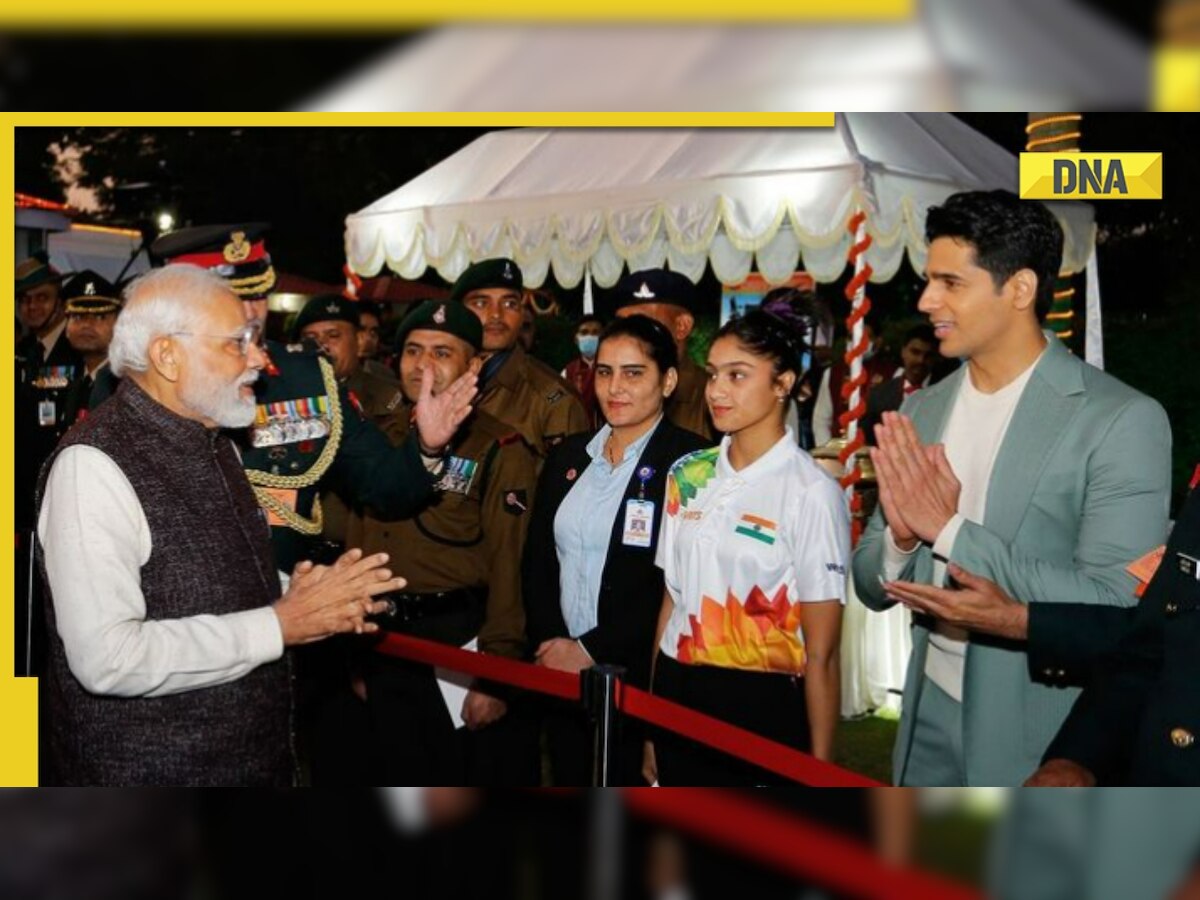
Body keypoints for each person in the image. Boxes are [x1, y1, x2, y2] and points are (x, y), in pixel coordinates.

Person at [35, 265, 403, 786]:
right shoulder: (93, 466)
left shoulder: (215, 441)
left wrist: (304, 594)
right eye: (237, 343)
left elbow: (200, 579)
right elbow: (107, 658)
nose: (259, 359)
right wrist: (280, 623)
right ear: (167, 355)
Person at [851, 189, 1171, 786]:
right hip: (925, 712)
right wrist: (898, 538)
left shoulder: (1120, 418)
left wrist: (947, 531)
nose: (927, 301)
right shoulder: (923, 411)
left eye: (951, 282)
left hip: (1041, 734)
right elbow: (870, 583)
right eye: (928, 280)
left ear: (1019, 289)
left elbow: (1116, 604)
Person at [150, 223, 475, 573]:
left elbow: (384, 487)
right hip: (178, 603)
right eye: (228, 298)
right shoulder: (142, 379)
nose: (248, 311)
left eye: (257, 294)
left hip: (284, 605)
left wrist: (426, 446)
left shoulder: (306, 378)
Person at [644, 309, 850, 785]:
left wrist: (818, 771)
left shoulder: (811, 492)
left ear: (783, 383)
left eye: (737, 375)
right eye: (714, 374)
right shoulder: (687, 475)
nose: (717, 390)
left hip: (762, 701)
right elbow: (670, 606)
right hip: (678, 687)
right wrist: (652, 728)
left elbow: (822, 654)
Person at [348, 300, 541, 785]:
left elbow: (509, 563)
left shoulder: (499, 447)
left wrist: (497, 674)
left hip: (459, 644)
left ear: (473, 366)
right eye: (412, 351)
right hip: (384, 639)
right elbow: (359, 539)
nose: (423, 365)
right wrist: (353, 654)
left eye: (441, 352)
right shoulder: (377, 438)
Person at [525, 314, 708, 785]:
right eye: (605, 372)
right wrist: (552, 644)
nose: (615, 388)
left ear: (667, 381)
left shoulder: (692, 463)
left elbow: (672, 585)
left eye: (634, 373)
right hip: (560, 673)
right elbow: (539, 558)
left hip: (639, 680)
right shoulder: (569, 455)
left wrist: (589, 649)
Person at [292, 293, 404, 546]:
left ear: (359, 340)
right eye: (311, 338)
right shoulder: (284, 400)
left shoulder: (388, 398)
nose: (321, 346)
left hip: (360, 549)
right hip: (297, 547)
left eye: (333, 336)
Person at [456, 257, 589, 459]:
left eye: (509, 303)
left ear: (521, 314)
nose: (496, 315)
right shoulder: (437, 382)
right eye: (481, 303)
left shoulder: (554, 402)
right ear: (457, 312)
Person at [612, 268, 714, 440]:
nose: (628, 335)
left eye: (641, 324)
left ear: (682, 326)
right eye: (622, 324)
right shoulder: (613, 392)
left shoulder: (711, 397)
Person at [811, 315, 896, 448]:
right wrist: (828, 453)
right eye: (851, 337)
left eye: (862, 338)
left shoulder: (894, 374)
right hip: (837, 454)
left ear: (878, 342)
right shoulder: (833, 373)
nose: (856, 343)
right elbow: (821, 420)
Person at [60, 270, 121, 428]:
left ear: (118, 325)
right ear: (66, 328)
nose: (87, 325)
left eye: (100, 317)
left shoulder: (124, 385)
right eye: (78, 317)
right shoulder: (76, 379)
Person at [861, 323, 939, 446]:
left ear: (936, 358)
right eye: (915, 352)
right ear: (903, 352)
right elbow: (868, 441)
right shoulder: (879, 395)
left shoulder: (945, 394)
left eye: (928, 356)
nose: (920, 360)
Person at [561, 313, 604, 427]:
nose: (590, 336)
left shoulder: (612, 367)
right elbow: (554, 397)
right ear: (576, 338)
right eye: (584, 332)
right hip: (578, 431)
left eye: (595, 332)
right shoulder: (568, 371)